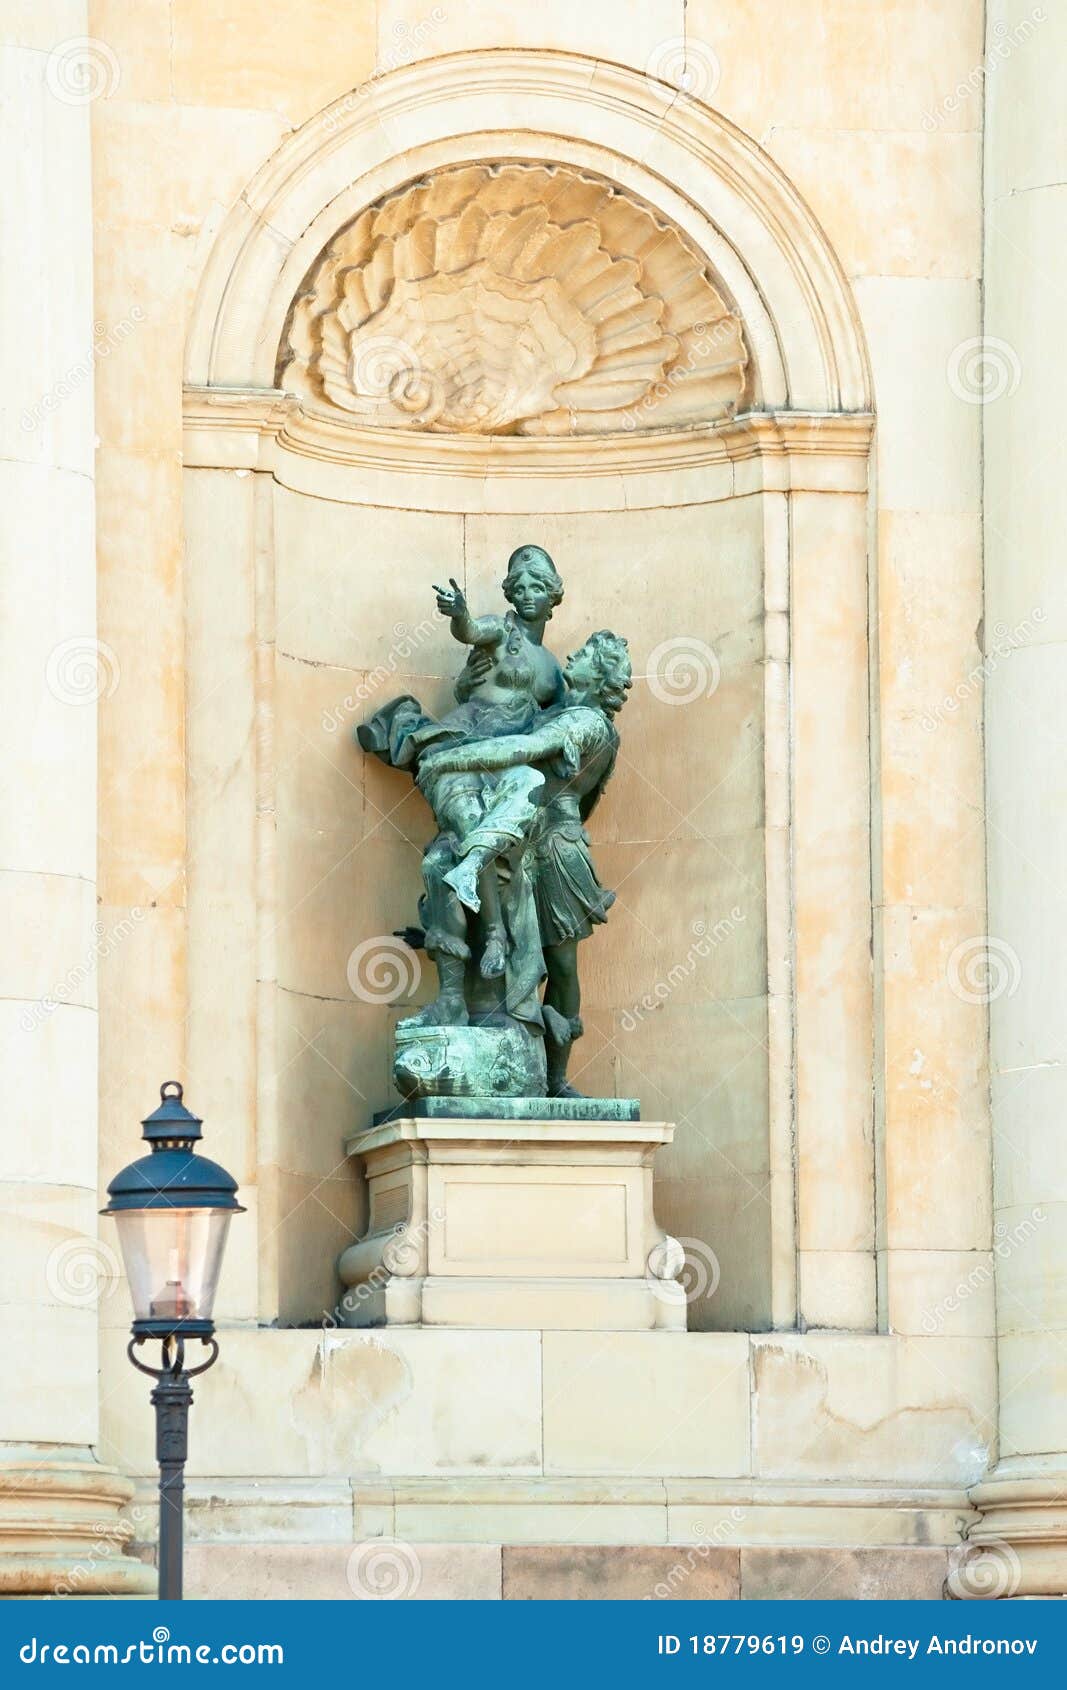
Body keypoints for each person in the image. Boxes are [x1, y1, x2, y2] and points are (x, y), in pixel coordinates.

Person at [418, 630, 632, 1094]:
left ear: (599, 676)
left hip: (555, 846)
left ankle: (556, 1078)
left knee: (563, 965)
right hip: (532, 839)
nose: (573, 654)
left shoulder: (586, 723)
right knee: (539, 955)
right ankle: (540, 1062)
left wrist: (446, 761)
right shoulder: (558, 713)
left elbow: (518, 751)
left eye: (587, 654)